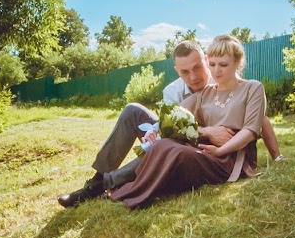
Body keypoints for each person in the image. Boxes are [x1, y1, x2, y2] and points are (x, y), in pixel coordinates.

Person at [58, 38, 282, 207]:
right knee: (135, 113)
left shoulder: (243, 86)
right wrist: (205, 131)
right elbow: (173, 125)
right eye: (185, 72)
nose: (195, 76)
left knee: (167, 147)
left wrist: (276, 155)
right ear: (177, 70)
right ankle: (99, 180)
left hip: (206, 148)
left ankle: (107, 184)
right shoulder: (177, 92)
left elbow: (258, 120)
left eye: (199, 68)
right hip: (188, 139)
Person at [107, 34, 265, 209]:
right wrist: (156, 131)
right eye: (212, 65)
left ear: (237, 62)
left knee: (178, 154)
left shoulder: (253, 87)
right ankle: (116, 182)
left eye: (223, 65)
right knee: (163, 145)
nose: (216, 71)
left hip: (233, 156)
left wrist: (221, 151)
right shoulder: (207, 92)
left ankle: (121, 186)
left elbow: (251, 129)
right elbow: (174, 117)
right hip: (208, 148)